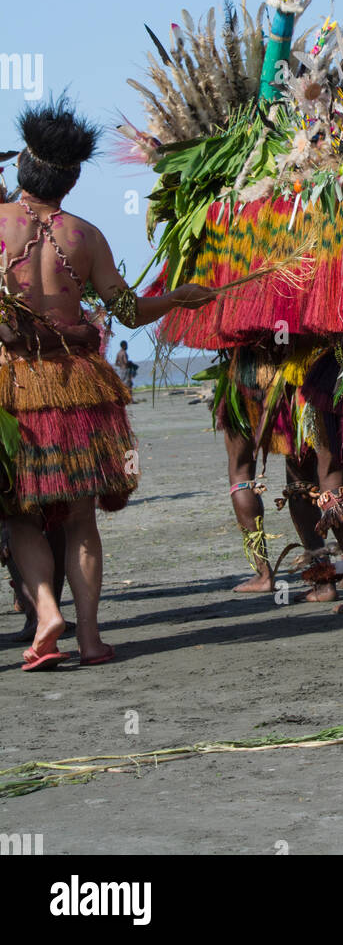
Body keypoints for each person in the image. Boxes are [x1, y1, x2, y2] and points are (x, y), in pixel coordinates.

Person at [0, 98, 215, 670]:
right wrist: (177, 296)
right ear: (69, 180)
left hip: (14, 385)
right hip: (78, 386)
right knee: (80, 518)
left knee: (21, 511)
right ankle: (90, 638)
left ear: (23, 168)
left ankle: (46, 610)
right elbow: (128, 310)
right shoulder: (86, 235)